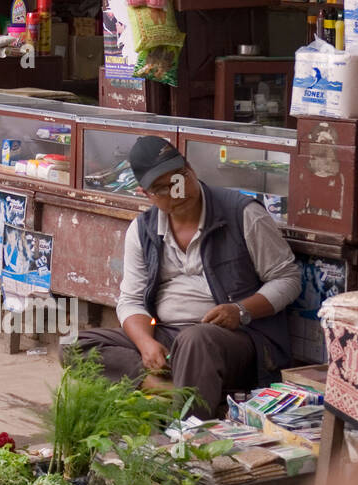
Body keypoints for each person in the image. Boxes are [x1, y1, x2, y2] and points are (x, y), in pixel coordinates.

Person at [62, 136, 302, 418]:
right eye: (163, 188)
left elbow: (288, 278)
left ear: (191, 169)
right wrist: (146, 344)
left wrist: (241, 310)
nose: (177, 192)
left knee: (196, 340)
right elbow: (131, 300)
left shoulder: (243, 214)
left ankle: (186, 430)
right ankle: (172, 389)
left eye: (180, 178)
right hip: (169, 336)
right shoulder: (142, 230)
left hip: (237, 339)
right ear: (145, 193)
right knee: (74, 345)